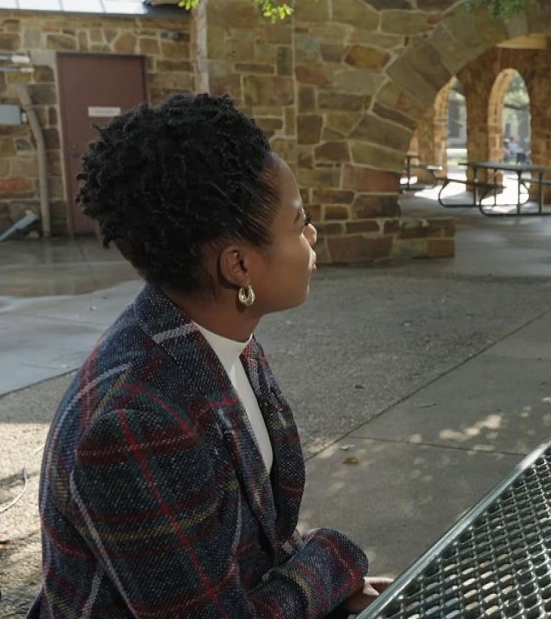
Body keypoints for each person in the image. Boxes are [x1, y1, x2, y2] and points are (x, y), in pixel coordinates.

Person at [29, 94, 389, 617]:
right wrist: (331, 563)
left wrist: (318, 588)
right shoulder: (136, 424)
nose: (312, 235)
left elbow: (253, 535)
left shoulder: (218, 336)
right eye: (298, 223)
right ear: (239, 266)